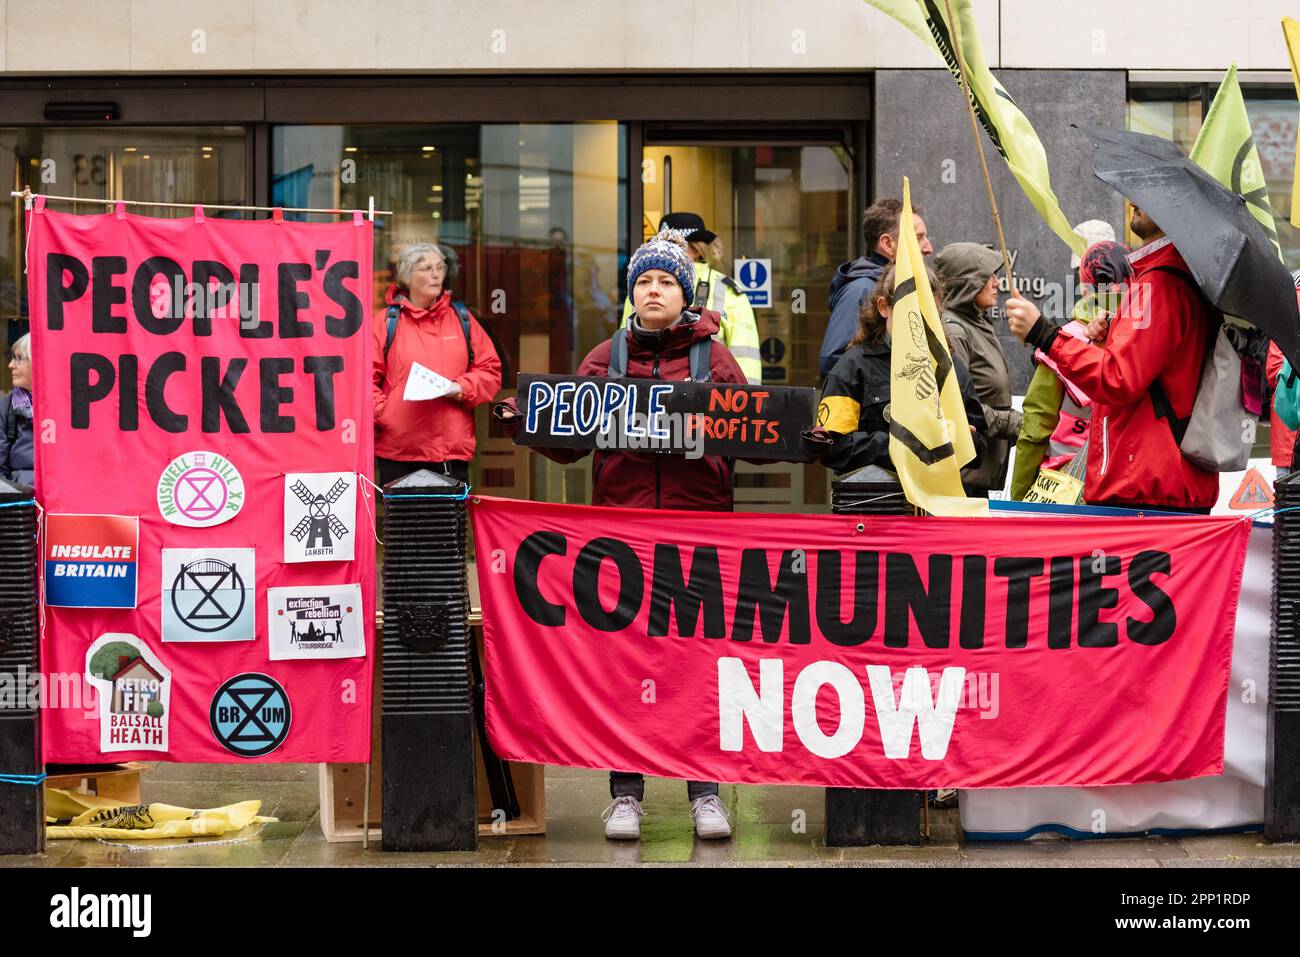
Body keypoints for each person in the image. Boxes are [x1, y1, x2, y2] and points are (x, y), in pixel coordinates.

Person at [497, 229, 748, 840]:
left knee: (697, 666)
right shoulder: (601, 360)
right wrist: (524, 423)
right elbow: (566, 442)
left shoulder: (712, 358)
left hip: (697, 537)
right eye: (644, 281)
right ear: (631, 294)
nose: (654, 290)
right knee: (623, 665)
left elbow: (755, 433)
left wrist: (807, 439)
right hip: (621, 539)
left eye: (666, 281)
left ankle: (706, 794)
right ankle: (626, 795)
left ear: (685, 293)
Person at [1005, 205, 1219, 513]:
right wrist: (1111, 341)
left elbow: (1118, 379)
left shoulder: (1160, 284)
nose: (1135, 202)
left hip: (1144, 487)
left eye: (1146, 193)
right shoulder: (1172, 280)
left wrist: (1045, 334)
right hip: (1158, 482)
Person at [818, 264, 987, 477]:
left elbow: (979, 445)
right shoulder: (851, 368)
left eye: (929, 314)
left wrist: (964, 441)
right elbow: (831, 445)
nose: (919, 322)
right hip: (876, 502)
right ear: (883, 307)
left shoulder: (950, 367)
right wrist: (903, 444)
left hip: (936, 502)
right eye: (911, 312)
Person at [372, 243, 502, 486]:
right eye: (427, 268)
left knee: (447, 523)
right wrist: (386, 413)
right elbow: (361, 381)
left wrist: (460, 387)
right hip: (400, 449)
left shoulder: (463, 319)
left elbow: (490, 370)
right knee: (405, 523)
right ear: (408, 276)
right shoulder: (385, 323)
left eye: (440, 267)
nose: (436, 274)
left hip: (450, 449)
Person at [1010, 239, 1131, 499]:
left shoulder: (1061, 343)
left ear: (1085, 289)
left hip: (1061, 489)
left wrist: (1018, 498)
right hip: (1121, 489)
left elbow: (1035, 429)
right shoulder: (1140, 345)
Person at [620, 212, 762, 384]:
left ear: (696, 250)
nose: (667, 251)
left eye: (677, 245)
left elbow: (747, 363)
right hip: (646, 401)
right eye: (662, 245)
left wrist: (747, 405)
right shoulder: (641, 290)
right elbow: (624, 348)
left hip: (710, 403)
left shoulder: (728, 291)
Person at [934, 242, 1018, 496]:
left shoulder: (976, 324)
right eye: (988, 276)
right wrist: (1014, 424)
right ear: (967, 284)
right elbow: (955, 406)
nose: (997, 283)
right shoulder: (955, 331)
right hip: (963, 479)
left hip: (979, 475)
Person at [819, 198, 934, 377]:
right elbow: (833, 362)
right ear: (888, 244)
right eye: (918, 238)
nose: (929, 248)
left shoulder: (898, 286)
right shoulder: (861, 289)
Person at [0, 333, 34, 485]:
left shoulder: (68, 406)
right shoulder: (6, 407)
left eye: (18, 358)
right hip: (21, 501)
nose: (11, 365)